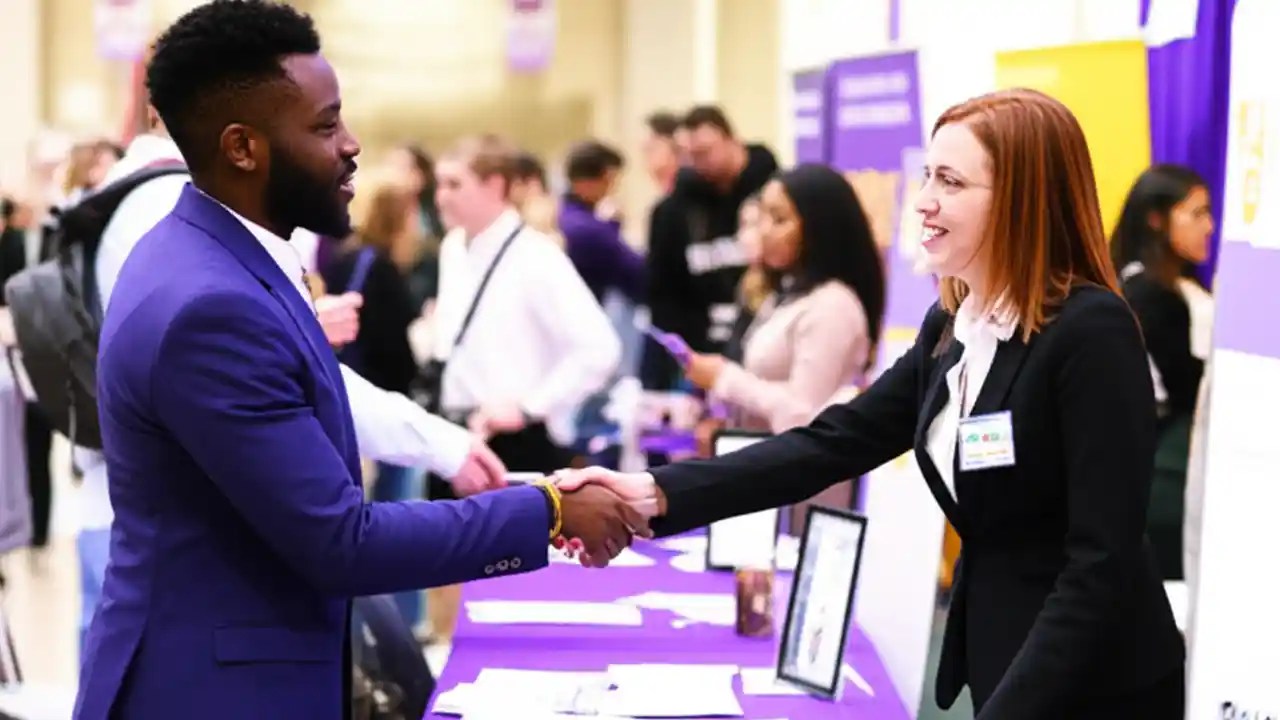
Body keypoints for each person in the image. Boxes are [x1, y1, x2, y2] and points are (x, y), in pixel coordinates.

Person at [76, 3, 645, 718]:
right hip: (210, 691)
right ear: (243, 148)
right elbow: (340, 540)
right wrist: (549, 509)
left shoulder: (225, 260)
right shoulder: (209, 305)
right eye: (323, 126)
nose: (351, 147)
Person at [557, 88, 1186, 718]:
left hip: (1094, 684)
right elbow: (831, 442)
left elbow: (1098, 565)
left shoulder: (1090, 332)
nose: (923, 202)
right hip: (1006, 660)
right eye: (927, 176)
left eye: (951, 181)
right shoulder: (955, 322)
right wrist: (655, 493)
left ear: (1022, 196)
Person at [682, 164, 887, 532]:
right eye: (763, 217)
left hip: (801, 500)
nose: (763, 231)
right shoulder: (785, 294)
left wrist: (725, 379)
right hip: (761, 480)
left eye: (778, 219)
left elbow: (803, 416)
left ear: (817, 226)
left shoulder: (832, 305)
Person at [1110, 164, 1216, 581]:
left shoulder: (1164, 286)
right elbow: (1189, 389)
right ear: (1156, 218)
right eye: (1196, 214)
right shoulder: (1149, 293)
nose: (1209, 226)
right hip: (1165, 474)